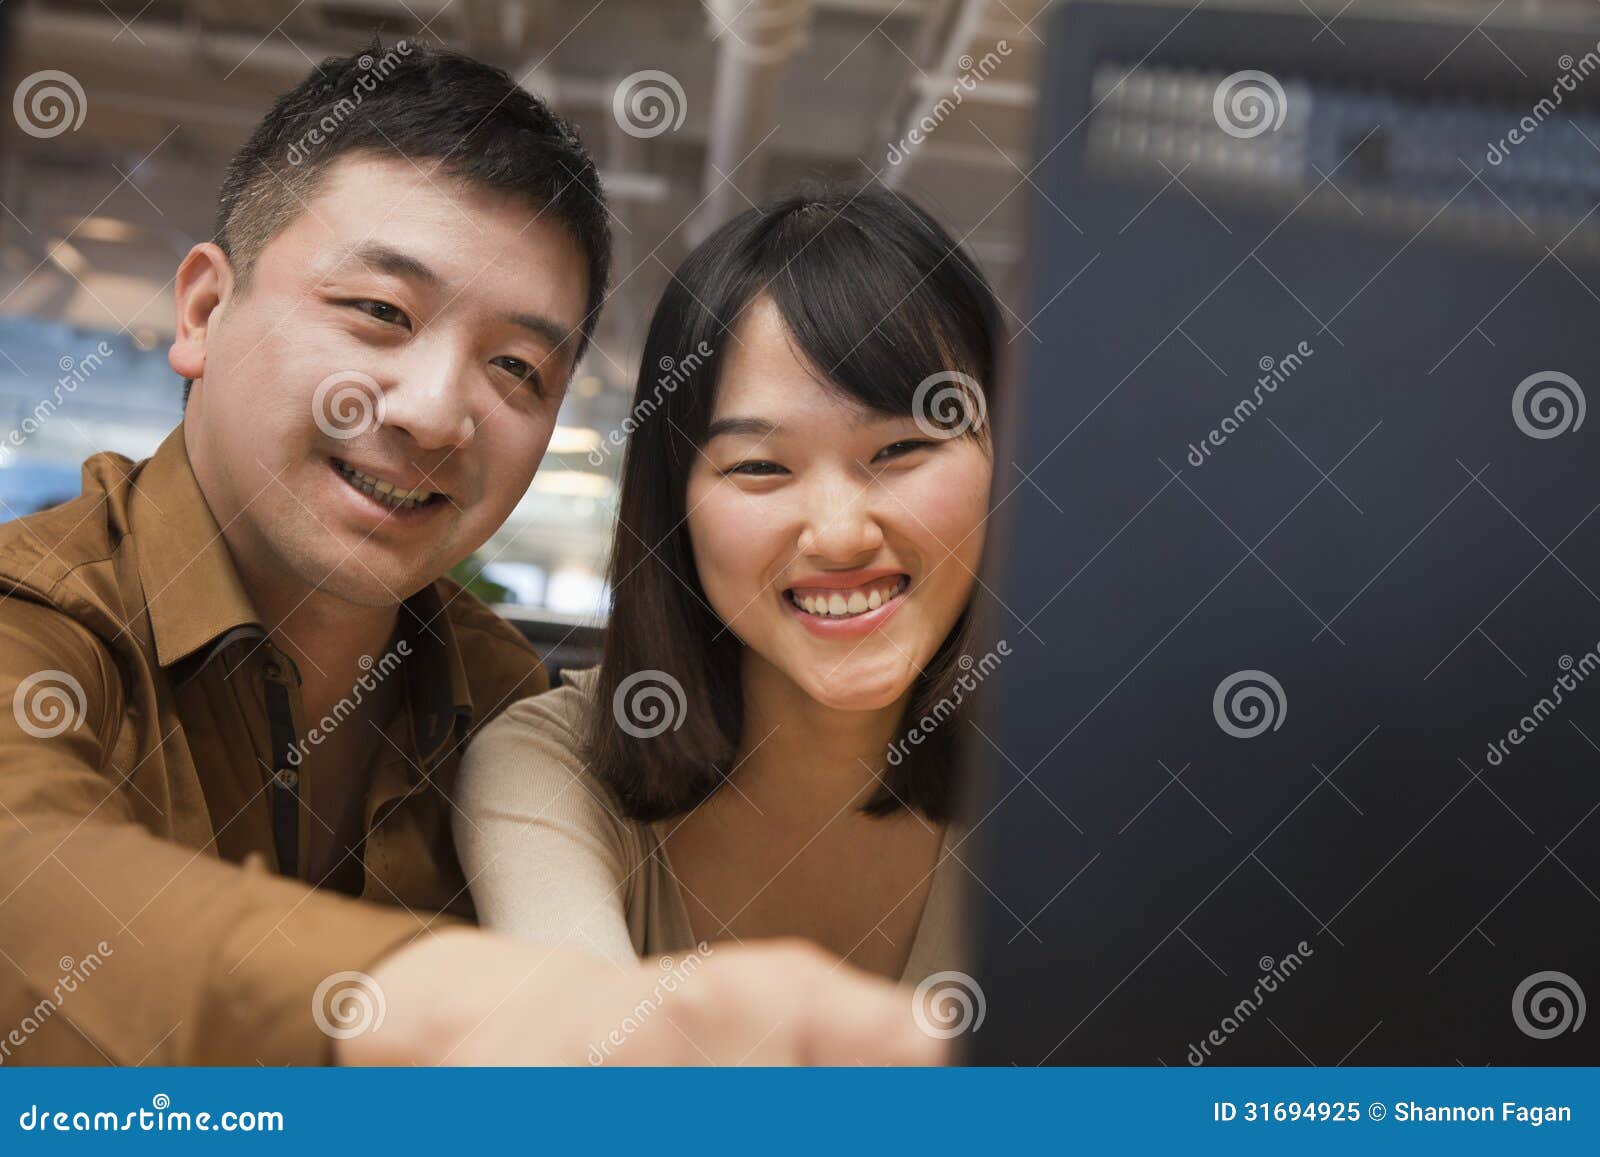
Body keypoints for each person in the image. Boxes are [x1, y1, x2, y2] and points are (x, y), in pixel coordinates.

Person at [0, 43, 936, 1067]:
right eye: (380, 313)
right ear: (202, 310)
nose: (438, 411)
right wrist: (455, 1006)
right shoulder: (39, 618)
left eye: (515, 367)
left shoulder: (504, 705)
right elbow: (34, 873)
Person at [455, 185, 1004, 1026]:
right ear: (673, 504)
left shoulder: (1081, 778)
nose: (838, 533)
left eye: (900, 449)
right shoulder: (554, 766)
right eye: (759, 467)